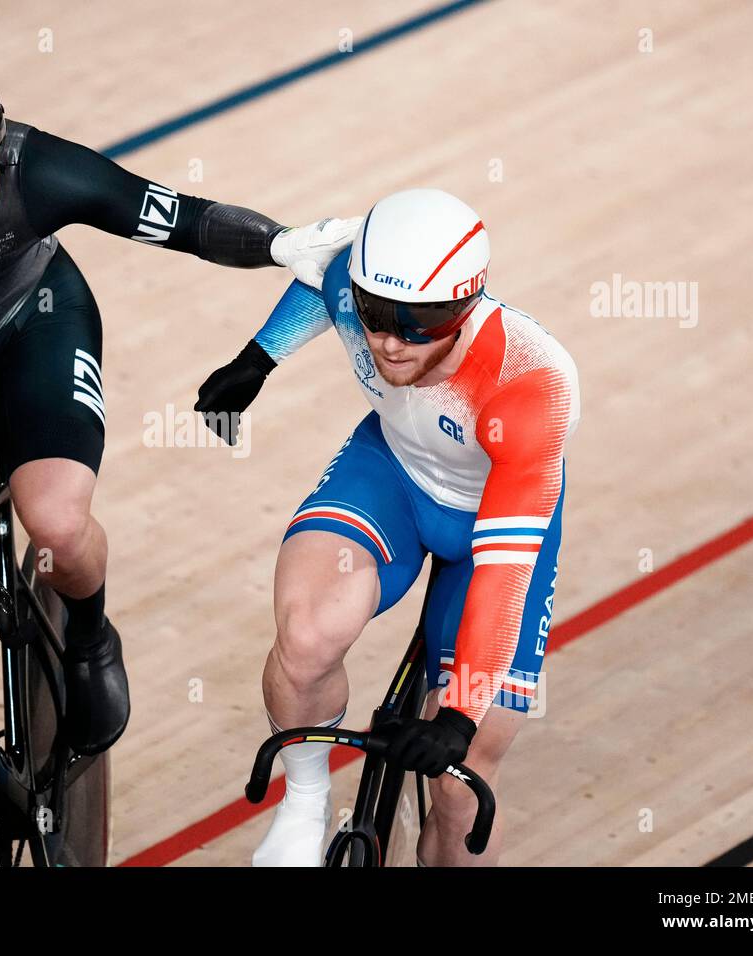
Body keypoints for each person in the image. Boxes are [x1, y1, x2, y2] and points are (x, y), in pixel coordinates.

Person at [0, 42, 359, 757]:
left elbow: (179, 216)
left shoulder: (33, 168)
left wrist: (280, 243)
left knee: (52, 520)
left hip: (39, 319)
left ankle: (88, 631)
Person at [195, 188, 580, 865]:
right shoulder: (359, 283)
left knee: (461, 784)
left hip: (493, 522)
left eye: (417, 325)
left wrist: (460, 716)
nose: (388, 343)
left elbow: (501, 573)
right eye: (375, 316)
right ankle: (306, 801)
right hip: (395, 475)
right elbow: (326, 281)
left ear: (464, 308)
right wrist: (258, 359)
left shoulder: (531, 384)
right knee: (308, 636)